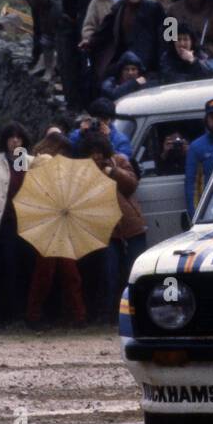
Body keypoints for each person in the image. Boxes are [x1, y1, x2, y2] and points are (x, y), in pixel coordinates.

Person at [23, 132, 87, 331]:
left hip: (49, 224)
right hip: (54, 223)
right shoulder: (46, 162)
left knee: (47, 273)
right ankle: (77, 315)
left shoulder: (37, 160)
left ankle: (36, 315)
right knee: (66, 273)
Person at [82, 133, 146, 327]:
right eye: (92, 153)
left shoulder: (119, 160)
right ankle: (111, 315)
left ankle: (141, 312)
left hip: (131, 226)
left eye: (99, 153)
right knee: (109, 274)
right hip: (106, 230)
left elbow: (131, 185)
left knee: (136, 272)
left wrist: (113, 172)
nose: (96, 157)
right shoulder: (84, 173)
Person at [0, 121, 34, 324]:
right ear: (5, 140)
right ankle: (6, 315)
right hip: (6, 223)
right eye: (11, 137)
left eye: (18, 137)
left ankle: (23, 313)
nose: (15, 141)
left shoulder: (27, 161)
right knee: (7, 268)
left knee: (25, 268)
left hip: (28, 224)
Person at [88, 0, 166, 76]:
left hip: (149, 61)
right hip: (126, 60)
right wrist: (89, 41)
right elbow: (104, 30)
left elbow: (168, 27)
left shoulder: (154, 8)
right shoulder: (118, 8)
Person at [185, 98, 213, 217]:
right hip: (212, 211)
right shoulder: (197, 147)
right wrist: (195, 216)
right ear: (206, 120)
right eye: (212, 118)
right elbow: (192, 187)